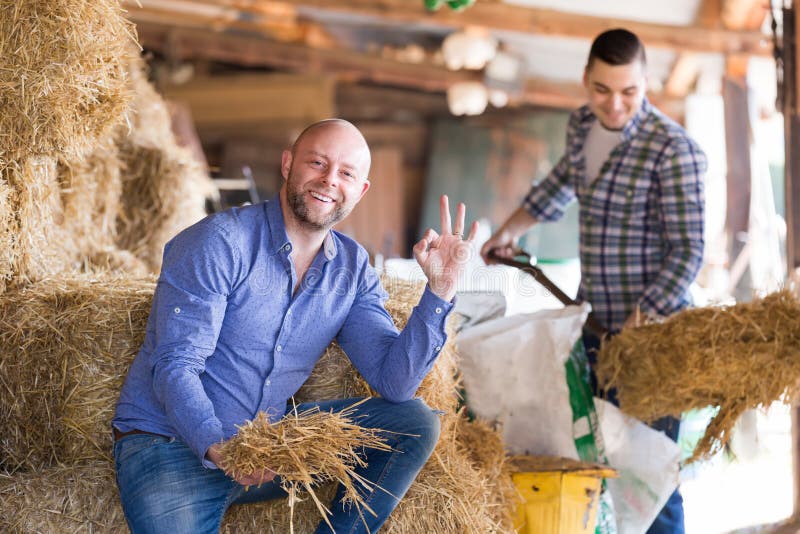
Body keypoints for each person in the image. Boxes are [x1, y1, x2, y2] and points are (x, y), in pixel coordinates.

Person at [112, 118, 478, 534]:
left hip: (266, 447)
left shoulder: (353, 268)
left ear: (361, 191)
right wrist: (220, 447)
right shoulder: (219, 242)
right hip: (171, 447)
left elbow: (394, 383)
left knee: (414, 422)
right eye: (317, 163)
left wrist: (440, 291)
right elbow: (176, 364)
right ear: (287, 165)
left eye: (346, 173)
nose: (328, 181)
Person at [481, 29, 706, 534]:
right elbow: (561, 184)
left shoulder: (674, 150)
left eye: (629, 91)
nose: (616, 105)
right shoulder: (582, 125)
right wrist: (510, 230)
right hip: (594, 329)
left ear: (646, 82)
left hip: (654, 343)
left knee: (651, 475)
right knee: (597, 459)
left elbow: (689, 252)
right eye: (603, 90)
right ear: (585, 80)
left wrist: (638, 324)